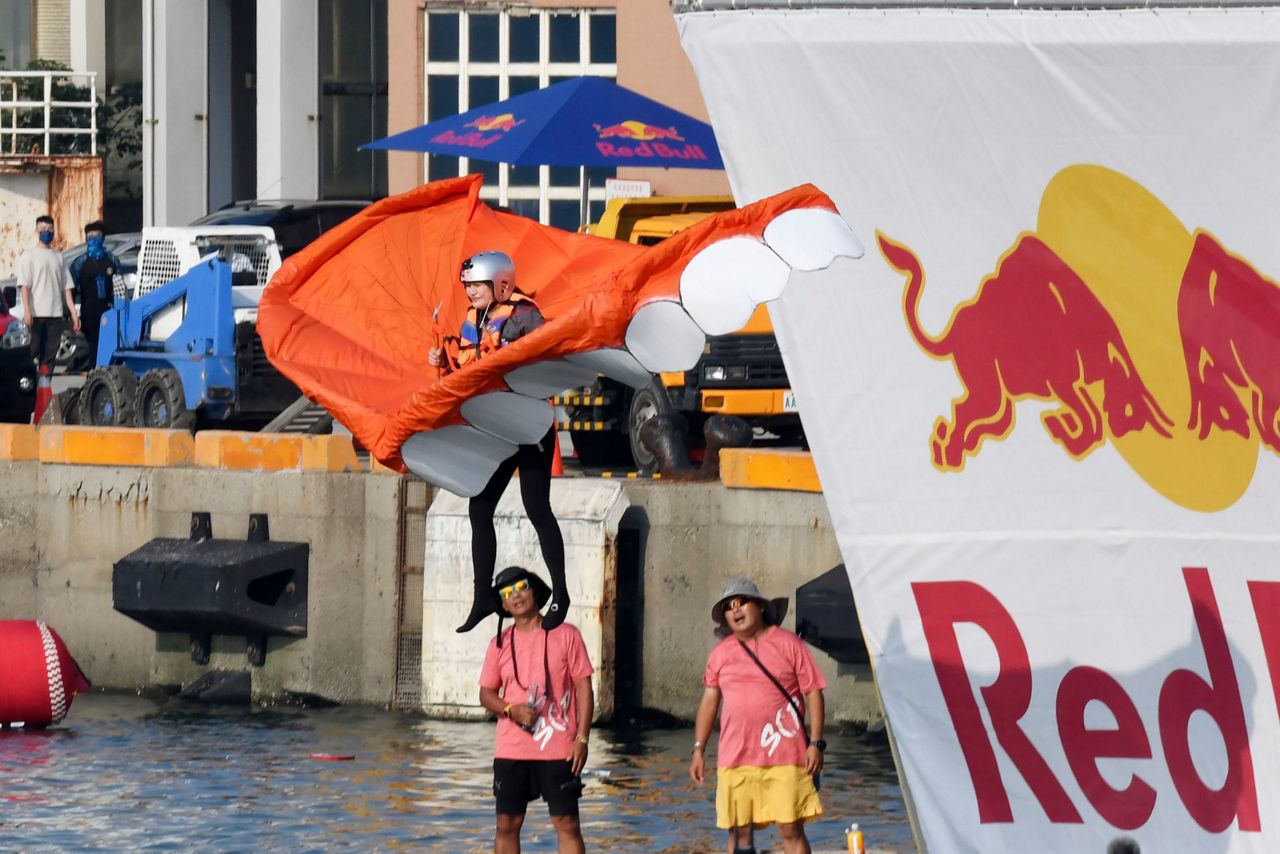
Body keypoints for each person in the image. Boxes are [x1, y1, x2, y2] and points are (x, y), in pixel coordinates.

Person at [429, 250, 570, 633]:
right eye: (468, 286)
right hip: (497, 426)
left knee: (536, 507)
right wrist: (441, 360)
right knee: (480, 507)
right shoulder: (473, 319)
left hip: (528, 425)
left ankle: (560, 593)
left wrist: (508, 357)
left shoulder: (525, 315)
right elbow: (463, 369)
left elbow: (545, 354)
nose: (470, 292)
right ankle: (483, 598)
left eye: (476, 285)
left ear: (501, 284)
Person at [689, 578, 827, 854]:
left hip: (786, 754)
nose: (735, 611)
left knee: (790, 829)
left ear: (761, 607)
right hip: (735, 757)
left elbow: (813, 693)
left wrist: (815, 743)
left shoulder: (790, 645)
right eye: (728, 607)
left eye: (741, 602)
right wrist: (698, 749)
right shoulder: (720, 654)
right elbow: (710, 700)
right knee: (739, 835)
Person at [478, 565, 594, 854]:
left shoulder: (566, 634)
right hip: (512, 749)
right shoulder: (499, 643)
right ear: (503, 604)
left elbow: (584, 688)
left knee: (567, 823)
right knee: (507, 822)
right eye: (508, 593)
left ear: (535, 591)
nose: (516, 596)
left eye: (522, 587)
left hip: (559, 748)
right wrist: (510, 710)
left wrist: (582, 738)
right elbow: (486, 694)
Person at [16, 215, 79, 369]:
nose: (47, 232)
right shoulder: (29, 255)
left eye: (50, 229)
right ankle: (29, 388)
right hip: (36, 314)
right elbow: (25, 285)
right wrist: (27, 310)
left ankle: (45, 388)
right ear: (36, 231)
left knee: (50, 355)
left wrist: (74, 313)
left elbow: (67, 287)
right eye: (43, 229)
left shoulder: (58, 257)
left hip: (55, 314)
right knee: (32, 351)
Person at [68, 220, 123, 365]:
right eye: (90, 236)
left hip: (109, 310)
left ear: (103, 238)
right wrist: (72, 314)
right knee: (93, 348)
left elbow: (120, 287)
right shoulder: (79, 263)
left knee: (110, 347)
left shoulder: (112, 261)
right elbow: (70, 290)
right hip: (89, 312)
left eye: (96, 236)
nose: (93, 239)